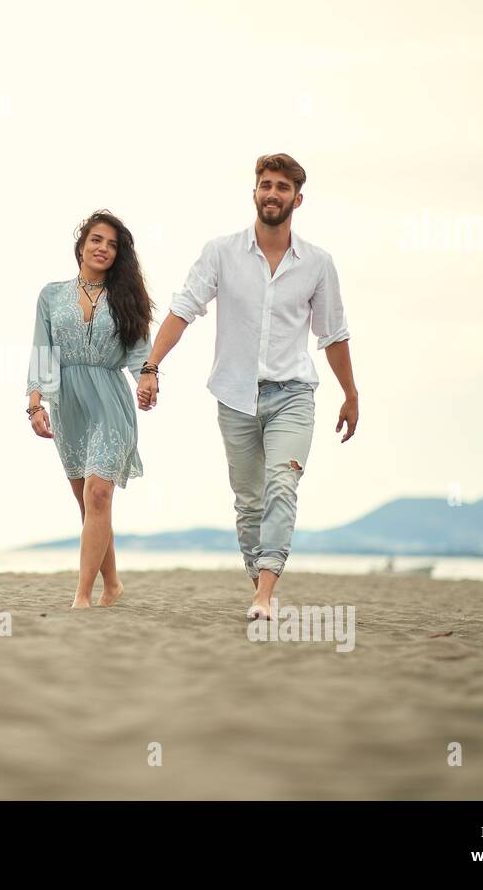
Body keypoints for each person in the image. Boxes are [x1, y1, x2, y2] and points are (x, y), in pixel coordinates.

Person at [140, 154, 359, 621]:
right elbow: (184, 309)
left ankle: (264, 596)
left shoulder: (318, 263)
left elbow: (333, 334)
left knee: (282, 484)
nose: (273, 193)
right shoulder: (221, 253)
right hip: (235, 395)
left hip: (293, 393)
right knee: (249, 504)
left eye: (282, 187)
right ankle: (260, 585)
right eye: (266, 184)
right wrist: (152, 365)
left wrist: (351, 394)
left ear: (297, 199)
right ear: (255, 192)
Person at [26, 210, 158, 609]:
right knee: (89, 504)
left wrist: (148, 379)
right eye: (97, 240)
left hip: (109, 401)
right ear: (81, 246)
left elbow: (139, 353)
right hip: (68, 404)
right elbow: (42, 352)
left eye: (113, 245)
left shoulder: (127, 299)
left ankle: (82, 596)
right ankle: (113, 584)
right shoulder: (51, 295)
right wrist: (35, 403)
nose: (104, 249)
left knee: (100, 493)